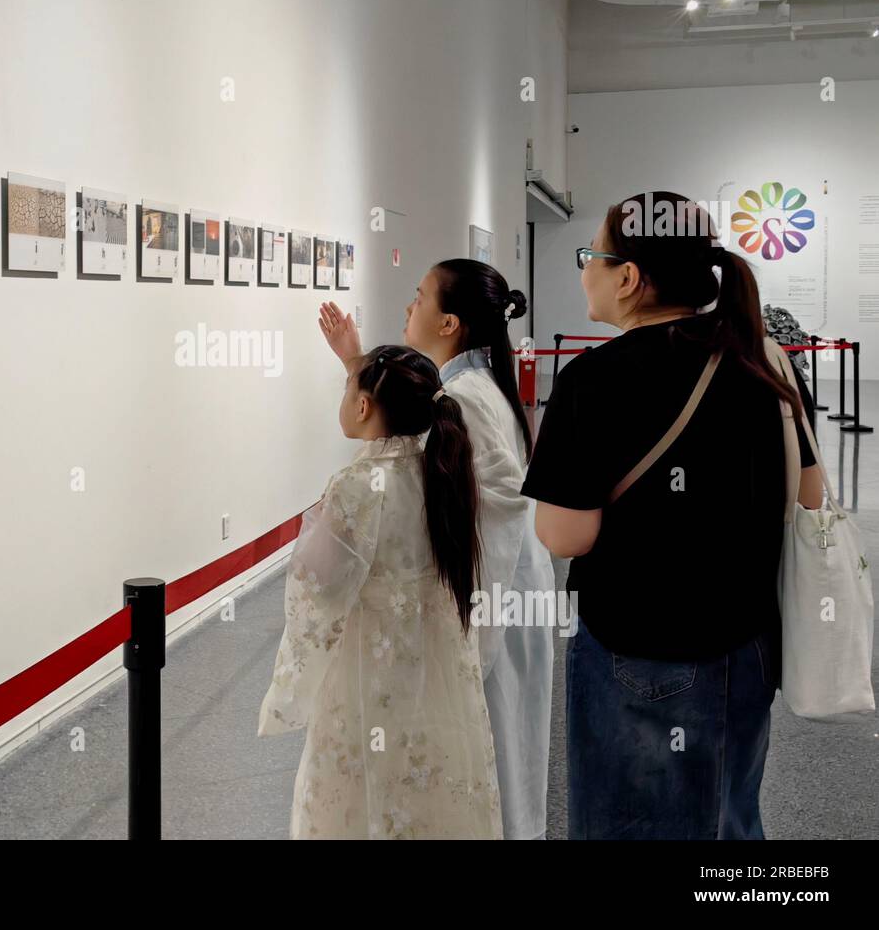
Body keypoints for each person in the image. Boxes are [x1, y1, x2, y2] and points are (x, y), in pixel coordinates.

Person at [521, 191, 823, 840]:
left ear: (627, 277)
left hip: (639, 649)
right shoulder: (762, 360)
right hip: (748, 645)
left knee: (629, 821)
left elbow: (566, 533)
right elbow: (813, 491)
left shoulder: (592, 379)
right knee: (728, 815)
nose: (584, 272)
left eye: (589, 257)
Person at [319, 259, 555, 840]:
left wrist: (464, 644)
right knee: (503, 749)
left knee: (491, 749)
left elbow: (473, 496)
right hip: (512, 589)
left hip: (499, 597)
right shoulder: (474, 387)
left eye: (419, 297)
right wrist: (355, 362)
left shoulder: (464, 397)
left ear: (449, 322)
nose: (408, 307)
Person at [258, 345, 502, 840]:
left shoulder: (357, 485)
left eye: (349, 388)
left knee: (364, 781)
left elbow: (316, 588)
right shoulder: (443, 469)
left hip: (369, 666)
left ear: (364, 406)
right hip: (435, 663)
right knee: (431, 771)